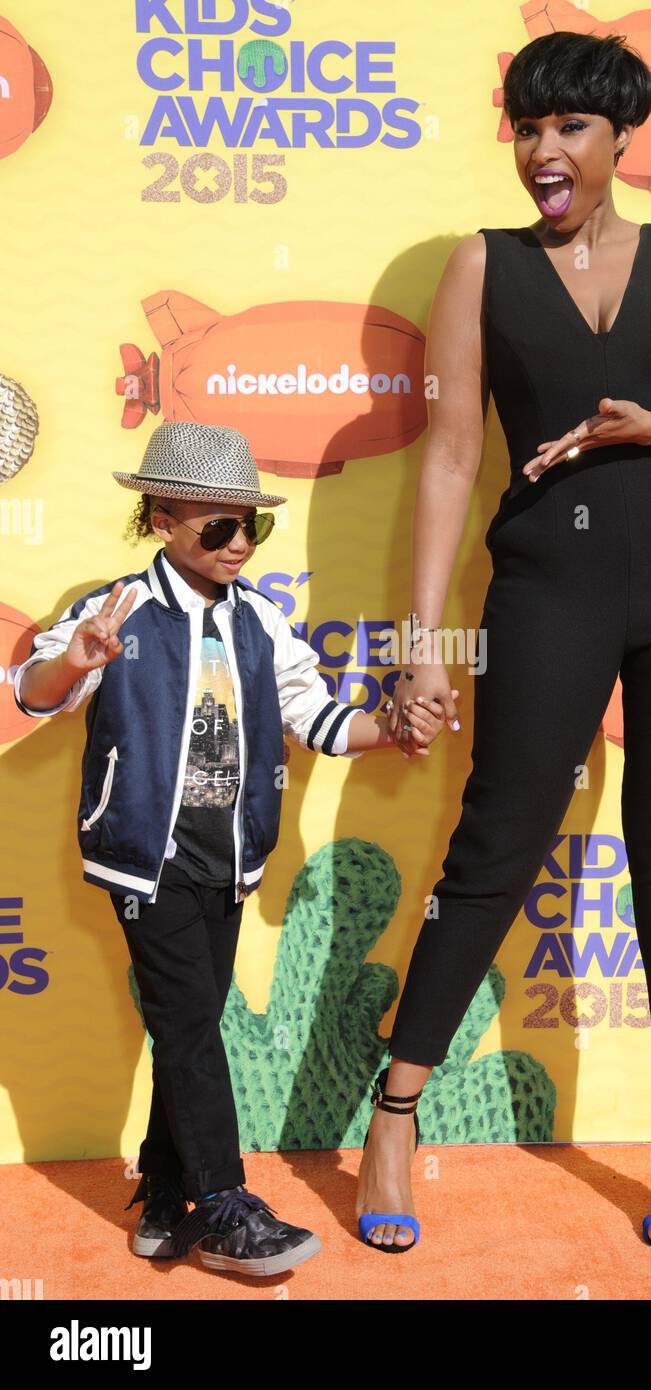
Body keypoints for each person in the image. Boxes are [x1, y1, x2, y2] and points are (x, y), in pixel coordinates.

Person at [356, 31, 651, 1253]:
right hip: (548, 579)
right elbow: (445, 458)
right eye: (526, 127)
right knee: (496, 835)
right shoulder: (478, 267)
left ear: (617, 142)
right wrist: (421, 637)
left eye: (569, 131)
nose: (542, 152)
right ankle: (396, 1111)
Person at [13, 419, 448, 1278]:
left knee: (190, 1026)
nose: (239, 542)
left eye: (254, 525)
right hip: (144, 855)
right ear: (162, 519)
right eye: (218, 526)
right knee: (187, 1024)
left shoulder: (262, 623)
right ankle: (224, 1204)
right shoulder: (117, 609)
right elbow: (30, 691)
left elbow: (319, 721)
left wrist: (392, 727)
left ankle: (166, 1201)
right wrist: (77, 662)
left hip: (232, 858)